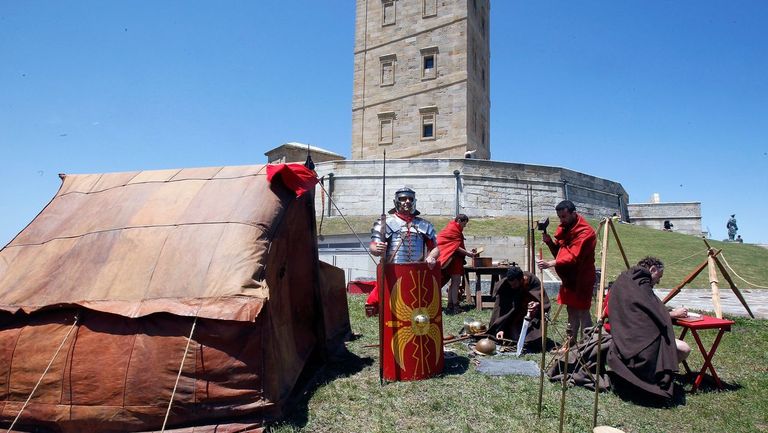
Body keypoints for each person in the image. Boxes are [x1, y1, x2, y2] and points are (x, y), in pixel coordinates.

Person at [606, 256, 691, 400]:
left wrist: (662, 311)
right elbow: (646, 317)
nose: (658, 281)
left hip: (623, 336)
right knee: (684, 349)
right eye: (659, 276)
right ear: (652, 269)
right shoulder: (641, 285)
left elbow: (643, 311)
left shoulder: (625, 280)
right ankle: (649, 380)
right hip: (633, 344)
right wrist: (673, 314)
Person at [365, 187, 439, 316]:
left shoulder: (424, 225)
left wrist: (431, 257)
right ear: (396, 202)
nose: (407, 201)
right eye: (403, 199)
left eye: (410, 199)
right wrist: (377, 249)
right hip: (393, 270)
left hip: (417, 272)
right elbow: (373, 245)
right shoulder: (386, 222)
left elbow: (435, 248)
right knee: (391, 303)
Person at [537, 200, 597, 345]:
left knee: (583, 311)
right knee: (571, 309)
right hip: (569, 278)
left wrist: (550, 264)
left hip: (582, 278)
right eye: (559, 217)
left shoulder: (586, 232)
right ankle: (571, 343)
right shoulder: (566, 228)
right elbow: (560, 253)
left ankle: (587, 345)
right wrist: (550, 242)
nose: (561, 220)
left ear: (573, 213)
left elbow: (573, 256)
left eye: (564, 216)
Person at [488, 266, 551, 351]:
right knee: (510, 335)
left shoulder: (532, 281)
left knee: (532, 340)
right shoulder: (506, 285)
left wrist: (536, 305)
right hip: (514, 316)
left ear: (521, 279)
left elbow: (542, 302)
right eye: (511, 285)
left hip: (529, 315)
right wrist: (501, 328)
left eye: (514, 284)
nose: (512, 287)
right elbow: (503, 309)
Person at [436, 214, 477, 314]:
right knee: (456, 282)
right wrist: (468, 254)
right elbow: (455, 246)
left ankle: (450, 305)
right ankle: (455, 307)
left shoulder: (453, 229)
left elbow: (455, 244)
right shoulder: (452, 229)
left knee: (453, 283)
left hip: (454, 259)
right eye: (464, 223)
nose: (465, 226)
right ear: (459, 221)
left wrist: (467, 252)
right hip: (453, 260)